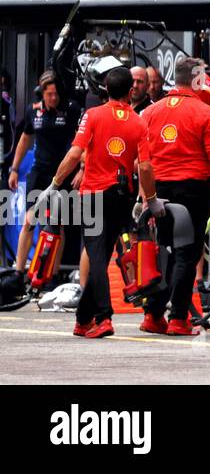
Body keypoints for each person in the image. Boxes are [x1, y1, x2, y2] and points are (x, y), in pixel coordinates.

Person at [32, 67, 156, 338]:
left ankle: (103, 317)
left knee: (97, 257)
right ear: (130, 91)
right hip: (121, 197)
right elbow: (145, 167)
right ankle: (83, 319)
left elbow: (75, 153)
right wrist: (152, 199)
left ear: (104, 90)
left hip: (92, 197)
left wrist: (54, 185)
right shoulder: (138, 122)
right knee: (102, 256)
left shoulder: (93, 115)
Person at [138, 56, 210, 335]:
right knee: (187, 254)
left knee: (163, 251)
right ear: (198, 80)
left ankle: (153, 315)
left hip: (159, 191)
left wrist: (146, 196)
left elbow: (141, 160)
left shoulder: (150, 112)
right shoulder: (204, 112)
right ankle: (178, 318)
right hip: (192, 190)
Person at [7, 72, 82, 277]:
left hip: (64, 173)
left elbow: (83, 142)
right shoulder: (34, 111)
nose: (53, 98)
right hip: (40, 173)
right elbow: (24, 139)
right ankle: (19, 272)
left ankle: (52, 273)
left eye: (56, 94)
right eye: (49, 94)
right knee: (29, 221)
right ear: (42, 93)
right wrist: (14, 168)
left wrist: (81, 169)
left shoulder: (72, 109)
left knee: (58, 224)